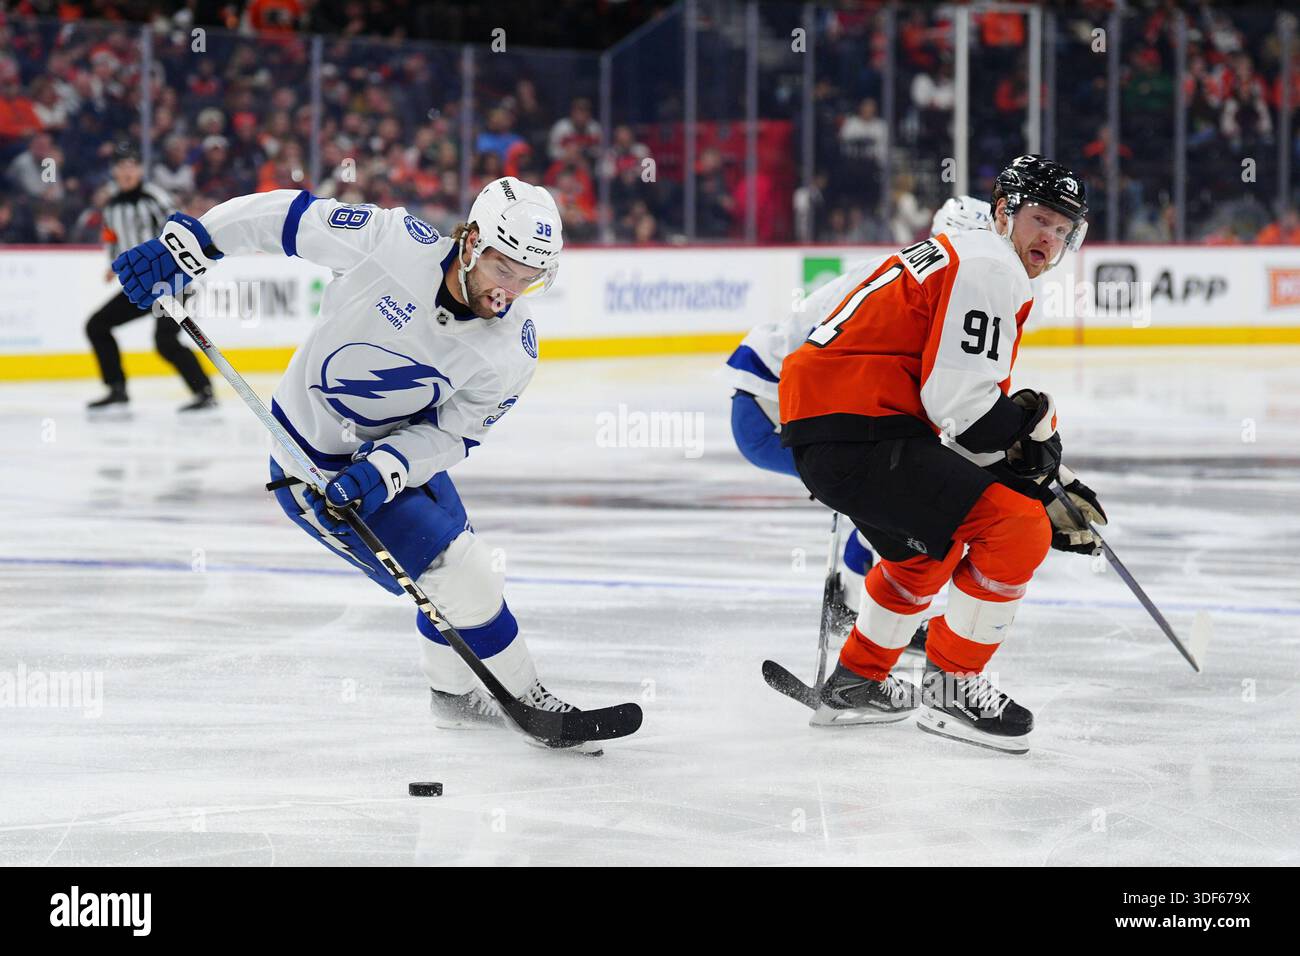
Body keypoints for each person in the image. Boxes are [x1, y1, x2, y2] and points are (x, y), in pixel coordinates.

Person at [112, 176, 602, 753]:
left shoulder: (511, 349)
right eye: (503, 269)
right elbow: (285, 219)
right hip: (312, 468)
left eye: (529, 279)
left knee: (464, 579)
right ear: (470, 241)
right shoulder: (395, 243)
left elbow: (453, 434)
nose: (509, 292)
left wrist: (390, 467)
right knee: (460, 574)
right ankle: (529, 700)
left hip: (393, 459)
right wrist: (188, 244)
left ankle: (452, 700)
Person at [777, 156, 1107, 752]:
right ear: (1004, 212)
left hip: (835, 430)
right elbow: (962, 408)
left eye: (1064, 229)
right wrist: (1038, 483)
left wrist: (1045, 471)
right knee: (1018, 529)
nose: (1051, 239)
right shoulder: (989, 265)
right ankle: (951, 689)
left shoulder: (962, 254)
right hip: (863, 430)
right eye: (1041, 220)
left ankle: (856, 684)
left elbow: (954, 418)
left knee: (925, 551)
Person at [723, 194, 993, 648]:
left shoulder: (923, 277)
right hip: (769, 411)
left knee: (879, 491)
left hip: (776, 401)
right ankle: (855, 612)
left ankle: (859, 610)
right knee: (876, 493)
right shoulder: (907, 277)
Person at [85, 144, 215, 413]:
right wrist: (113, 263)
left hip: (173, 282)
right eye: (121, 166)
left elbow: (177, 231)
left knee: (165, 342)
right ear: (114, 172)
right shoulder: (111, 206)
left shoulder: (156, 198)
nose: (127, 171)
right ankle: (116, 389)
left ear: (141, 169)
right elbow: (111, 236)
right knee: (97, 326)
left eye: (132, 165)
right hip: (142, 285)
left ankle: (204, 392)